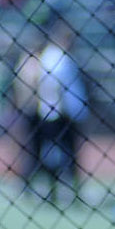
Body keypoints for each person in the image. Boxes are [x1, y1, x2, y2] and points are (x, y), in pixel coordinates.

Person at [33, 16, 88, 205]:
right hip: (59, 114)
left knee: (64, 155)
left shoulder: (55, 56)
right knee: (58, 154)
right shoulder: (56, 57)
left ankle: (66, 192)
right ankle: (56, 192)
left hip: (57, 112)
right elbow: (54, 85)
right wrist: (63, 109)